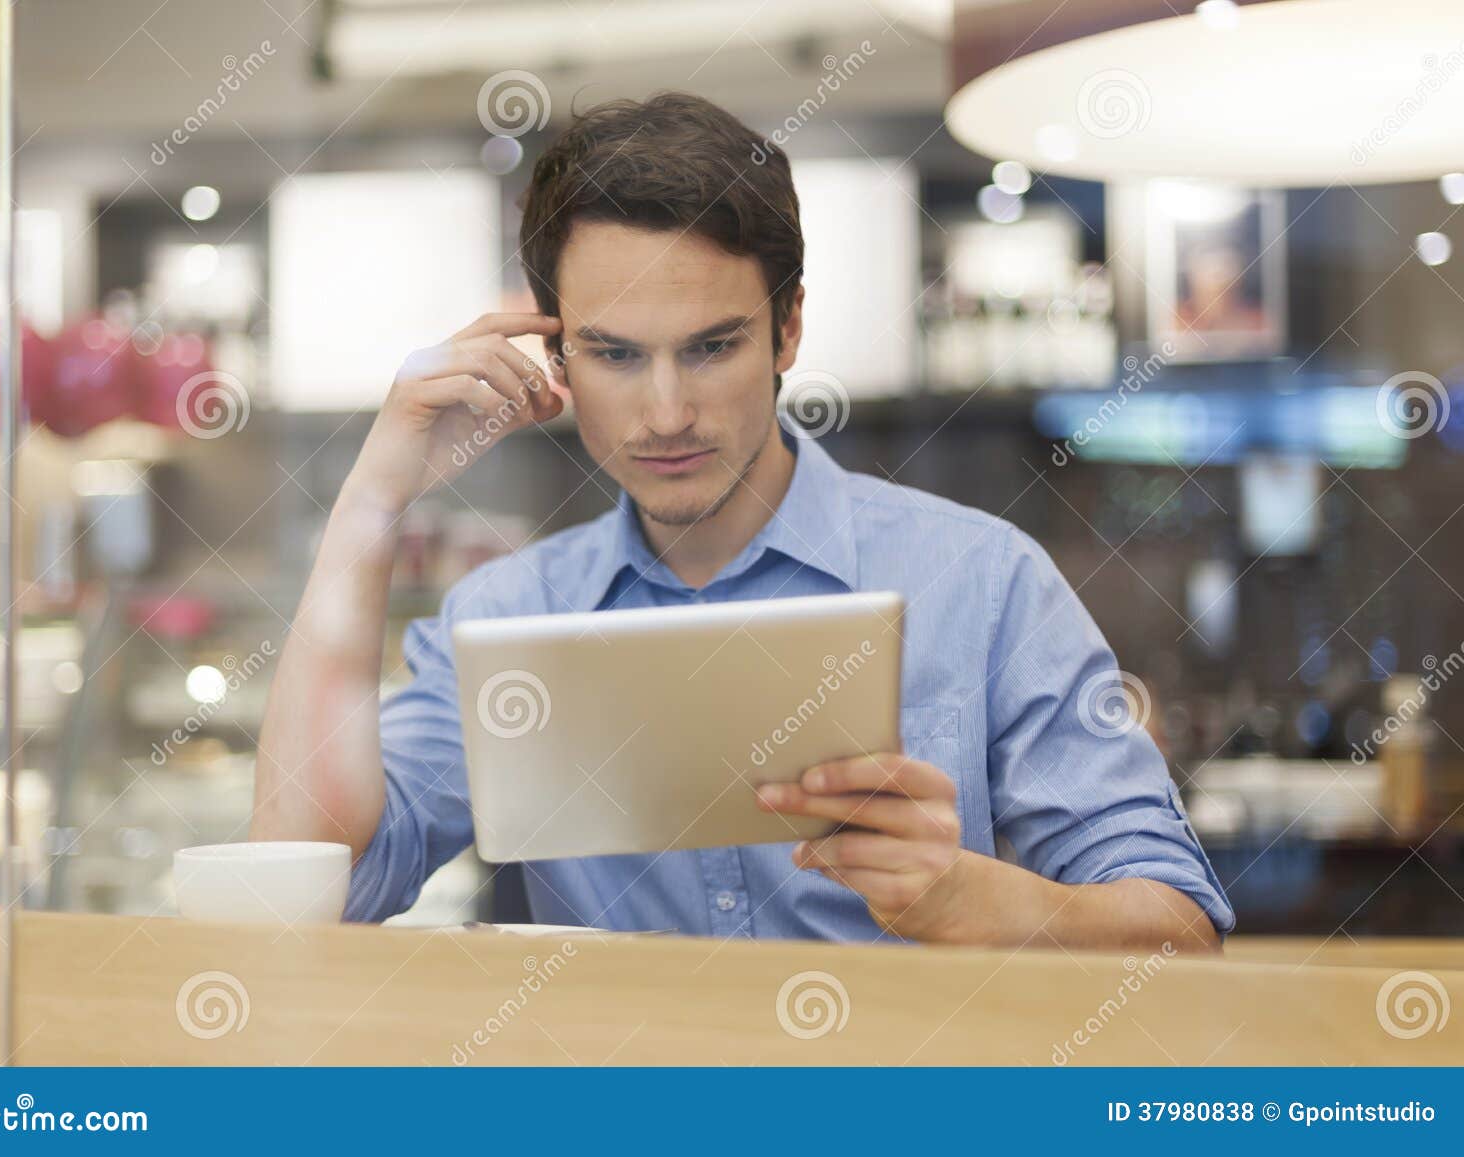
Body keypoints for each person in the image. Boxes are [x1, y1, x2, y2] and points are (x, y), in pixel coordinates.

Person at [252, 91, 1233, 951]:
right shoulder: (504, 616)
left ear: (788, 328)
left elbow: (1178, 931)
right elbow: (312, 889)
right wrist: (368, 504)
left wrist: (975, 899)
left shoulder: (982, 583)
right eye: (616, 355)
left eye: (712, 347)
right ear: (556, 356)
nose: (667, 412)